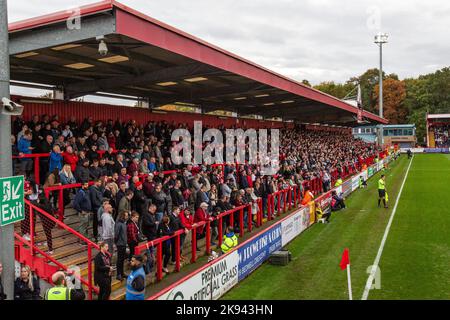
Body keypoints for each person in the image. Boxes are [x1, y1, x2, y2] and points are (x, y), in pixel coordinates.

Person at [115, 211, 129, 281]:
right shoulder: (119, 224)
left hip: (123, 243)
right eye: (126, 215)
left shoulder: (124, 223)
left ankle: (122, 272)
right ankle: (118, 274)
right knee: (119, 260)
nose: (127, 217)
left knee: (122, 259)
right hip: (120, 244)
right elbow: (116, 234)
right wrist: (117, 242)